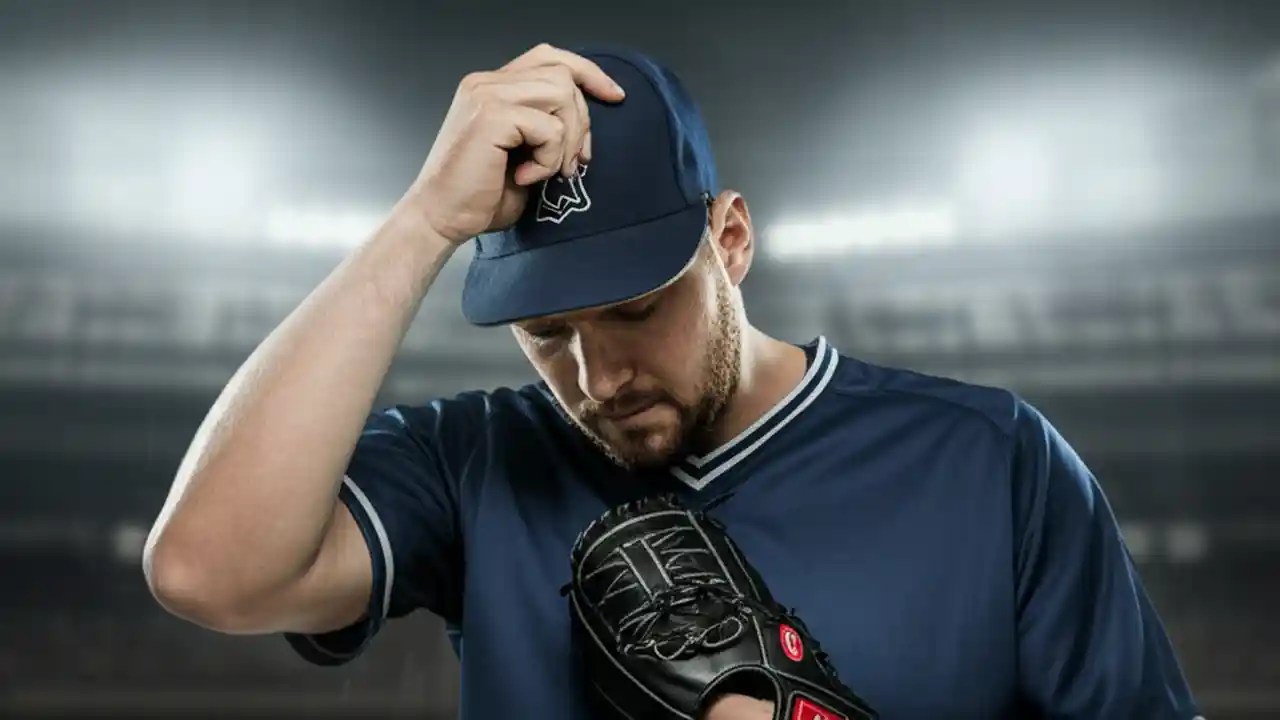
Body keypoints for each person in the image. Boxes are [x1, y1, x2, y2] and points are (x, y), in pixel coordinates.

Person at [143, 44, 1203, 719]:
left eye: (637, 308)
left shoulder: (987, 458)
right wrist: (421, 222)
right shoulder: (474, 464)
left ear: (729, 239)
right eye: (547, 331)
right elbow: (205, 567)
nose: (597, 375)